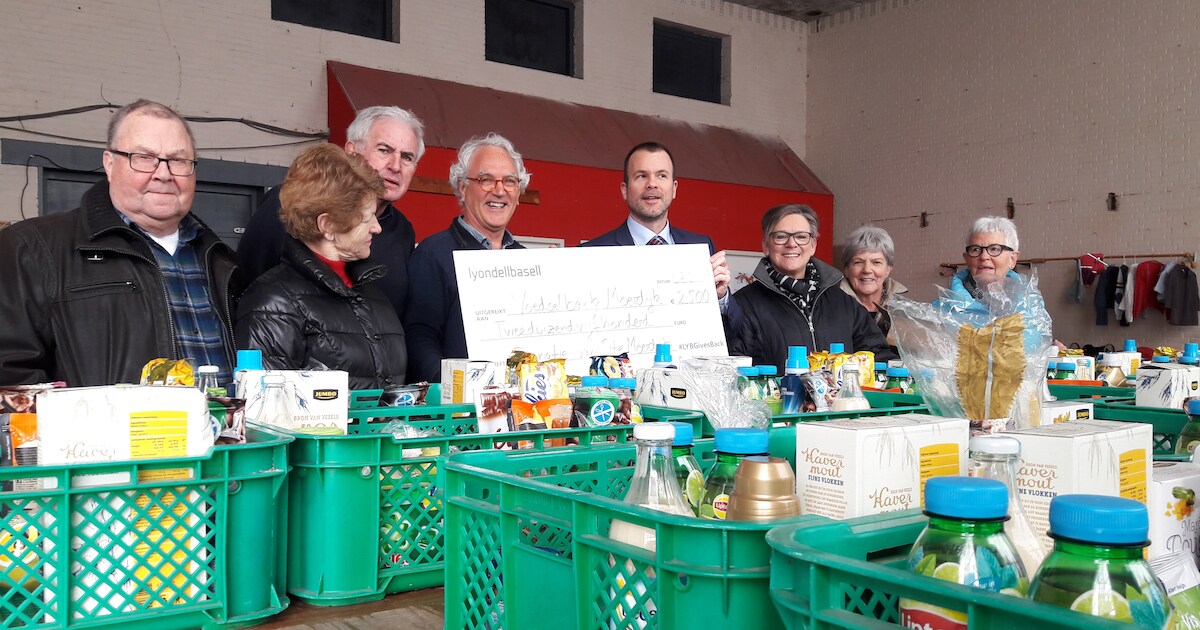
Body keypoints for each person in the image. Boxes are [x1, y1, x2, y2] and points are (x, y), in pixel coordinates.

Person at [0, 99, 244, 386]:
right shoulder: (31, 249)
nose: (163, 174)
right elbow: (11, 379)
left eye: (178, 160)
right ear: (109, 163)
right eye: (144, 157)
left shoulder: (221, 260)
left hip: (222, 417)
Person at [235, 145, 407, 389]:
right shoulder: (272, 303)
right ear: (327, 225)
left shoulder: (372, 294)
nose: (377, 228)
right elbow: (267, 404)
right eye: (366, 217)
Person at [239, 106, 424, 316]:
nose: (396, 166)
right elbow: (248, 289)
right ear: (352, 152)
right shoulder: (290, 205)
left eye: (407, 157)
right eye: (384, 150)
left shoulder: (403, 231)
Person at [404, 133, 528, 382]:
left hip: (524, 399)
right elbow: (419, 337)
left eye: (509, 181)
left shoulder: (527, 260)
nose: (500, 191)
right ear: (462, 188)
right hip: (461, 403)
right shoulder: (433, 255)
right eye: (486, 180)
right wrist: (453, 388)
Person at [729, 204, 896, 372]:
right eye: (781, 237)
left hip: (838, 391)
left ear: (813, 245)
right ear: (765, 246)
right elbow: (733, 369)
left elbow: (877, 356)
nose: (792, 243)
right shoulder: (743, 304)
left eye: (801, 237)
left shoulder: (843, 303)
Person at [581, 142, 737, 320]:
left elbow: (735, 329)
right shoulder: (588, 255)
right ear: (625, 190)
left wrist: (720, 297)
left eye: (661, 175)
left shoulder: (702, 248)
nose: (652, 184)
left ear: (674, 188)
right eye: (641, 176)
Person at [839, 225, 908, 347]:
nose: (867, 270)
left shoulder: (902, 310)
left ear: (888, 269)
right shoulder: (832, 308)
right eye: (858, 262)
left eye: (876, 262)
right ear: (846, 269)